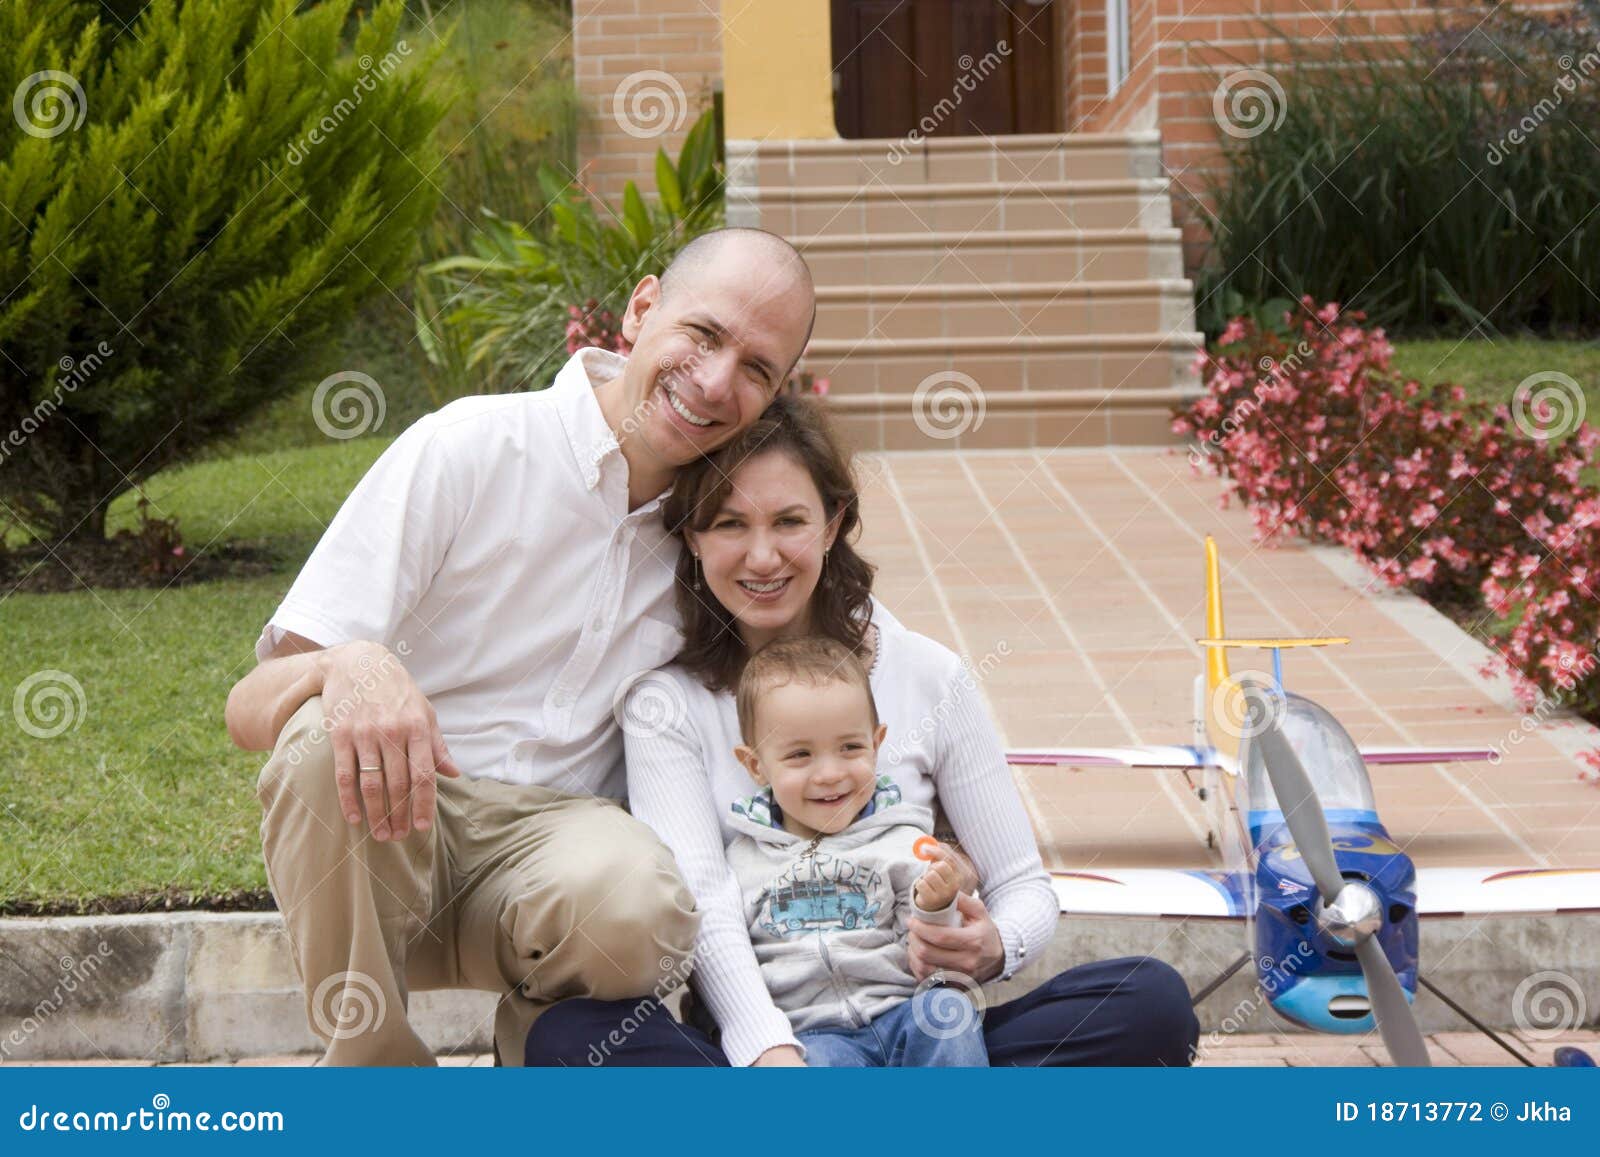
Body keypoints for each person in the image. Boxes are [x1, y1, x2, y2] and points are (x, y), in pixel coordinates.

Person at [223, 227, 818, 1065]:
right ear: (643, 308)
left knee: (643, 897)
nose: (716, 381)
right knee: (318, 740)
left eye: (757, 369)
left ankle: (541, 1069)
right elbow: (250, 709)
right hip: (393, 838)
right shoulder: (470, 445)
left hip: (561, 867)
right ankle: (376, 1079)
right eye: (704, 334)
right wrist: (346, 662)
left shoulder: (721, 528)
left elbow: (840, 667)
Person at [525, 393, 1201, 1067]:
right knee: (570, 1038)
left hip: (925, 1033)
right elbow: (706, 900)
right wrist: (769, 1049)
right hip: (772, 1045)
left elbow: (1023, 883)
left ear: (831, 522)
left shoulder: (927, 675)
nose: (762, 557)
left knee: (1150, 1003)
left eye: (789, 520)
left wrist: (998, 944)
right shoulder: (666, 703)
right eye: (729, 523)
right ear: (693, 538)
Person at [726, 634, 986, 1067]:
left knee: (951, 1014)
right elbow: (734, 967)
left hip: (901, 1011)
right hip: (812, 1032)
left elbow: (938, 958)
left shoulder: (900, 838)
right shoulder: (743, 863)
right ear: (756, 765)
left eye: (850, 747)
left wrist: (937, 904)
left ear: (877, 742)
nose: (830, 773)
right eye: (800, 755)